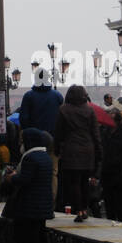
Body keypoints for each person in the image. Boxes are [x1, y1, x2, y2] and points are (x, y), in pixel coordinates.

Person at [3, 128, 54, 243]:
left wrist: (11, 177)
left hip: (30, 206)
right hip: (43, 205)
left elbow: (24, 180)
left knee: (26, 239)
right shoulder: (45, 156)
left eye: (22, 140)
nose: (20, 143)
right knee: (39, 239)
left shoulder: (30, 158)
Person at [53, 85, 100, 222]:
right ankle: (84, 209)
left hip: (71, 150)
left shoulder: (63, 110)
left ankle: (78, 210)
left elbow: (58, 132)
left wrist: (57, 149)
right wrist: (99, 152)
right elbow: (96, 134)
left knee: (74, 182)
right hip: (88, 150)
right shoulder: (90, 111)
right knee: (85, 182)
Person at [19, 67, 64, 204]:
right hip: (53, 140)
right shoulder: (57, 96)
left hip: (34, 143)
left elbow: (24, 119)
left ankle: (34, 201)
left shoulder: (29, 96)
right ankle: (51, 202)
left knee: (31, 171)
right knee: (53, 173)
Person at [100, 110, 122, 222]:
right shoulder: (105, 133)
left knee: (120, 206)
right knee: (109, 205)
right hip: (107, 173)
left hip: (119, 175)